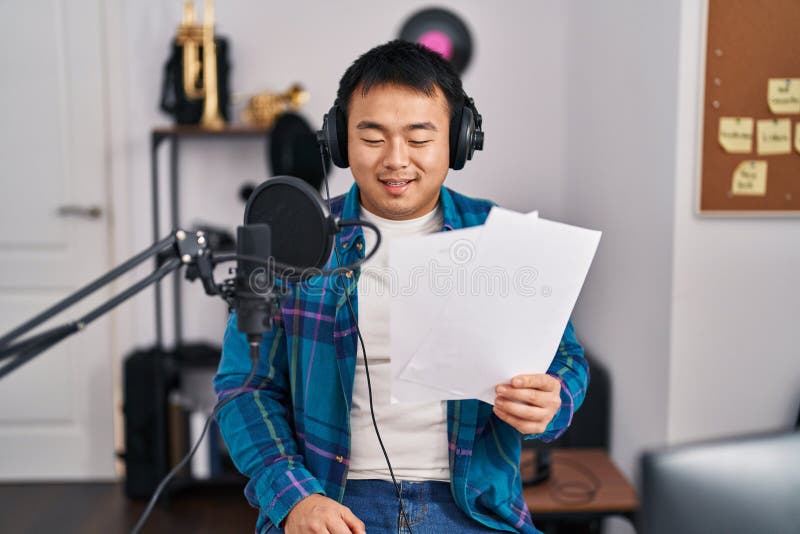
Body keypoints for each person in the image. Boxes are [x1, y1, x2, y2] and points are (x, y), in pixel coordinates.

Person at [214, 40, 589, 534]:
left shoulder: (502, 237)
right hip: (331, 500)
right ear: (338, 140)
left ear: (458, 140)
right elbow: (243, 387)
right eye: (373, 138)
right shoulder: (280, 241)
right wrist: (294, 498)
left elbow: (566, 360)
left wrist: (553, 399)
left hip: (472, 508)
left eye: (418, 137)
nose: (396, 160)